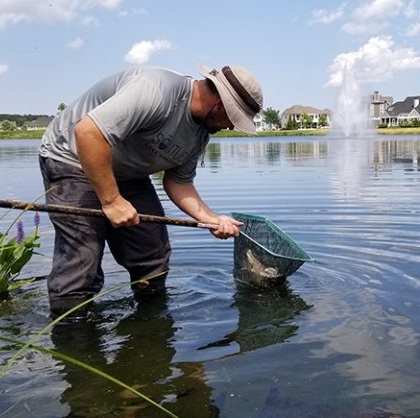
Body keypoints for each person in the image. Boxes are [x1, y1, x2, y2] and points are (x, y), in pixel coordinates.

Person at [39, 65, 263, 314]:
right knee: (82, 259)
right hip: (73, 158)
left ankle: (148, 328)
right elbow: (88, 133)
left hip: (128, 174)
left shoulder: (200, 132)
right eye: (233, 120)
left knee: (152, 254)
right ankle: (72, 332)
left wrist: (211, 219)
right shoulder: (156, 90)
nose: (231, 127)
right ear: (221, 106)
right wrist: (112, 201)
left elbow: (179, 182)